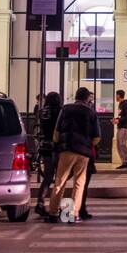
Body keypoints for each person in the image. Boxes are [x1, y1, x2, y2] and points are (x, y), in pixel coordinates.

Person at [45, 87, 99, 223]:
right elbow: (97, 136)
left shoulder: (66, 109)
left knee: (60, 181)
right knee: (79, 184)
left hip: (67, 149)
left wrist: (57, 144)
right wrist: (89, 145)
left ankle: (53, 213)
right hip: (83, 153)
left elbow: (56, 132)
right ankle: (73, 215)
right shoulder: (91, 112)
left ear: (75, 97)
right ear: (87, 98)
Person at [35, 91, 62, 211]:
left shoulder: (42, 112)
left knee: (47, 176)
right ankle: (56, 205)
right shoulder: (61, 111)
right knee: (60, 177)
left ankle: (40, 202)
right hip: (58, 147)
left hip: (45, 147)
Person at [113, 89, 127, 169]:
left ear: (118, 95)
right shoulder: (120, 104)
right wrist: (116, 119)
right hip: (120, 127)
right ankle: (124, 162)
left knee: (122, 144)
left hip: (124, 127)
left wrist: (119, 120)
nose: (116, 97)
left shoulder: (126, 104)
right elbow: (122, 116)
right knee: (118, 145)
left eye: (116, 95)